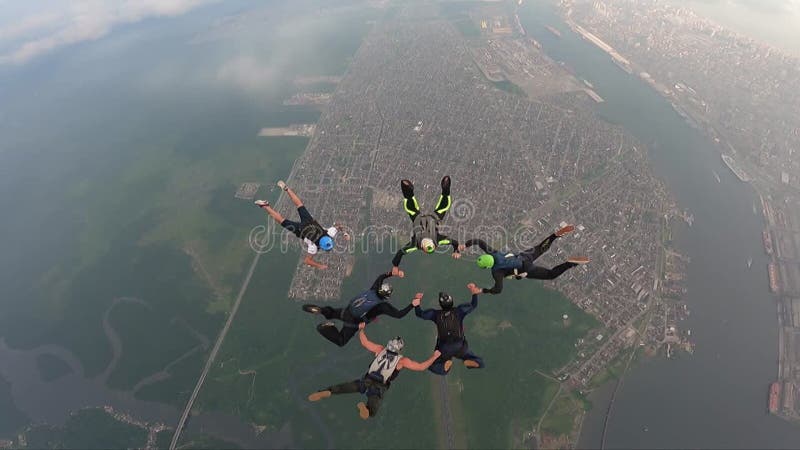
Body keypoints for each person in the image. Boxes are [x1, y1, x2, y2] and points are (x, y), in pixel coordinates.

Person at [308, 322, 441, 419]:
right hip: (379, 387)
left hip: (366, 380)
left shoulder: (379, 349)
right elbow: (421, 367)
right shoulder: (402, 361)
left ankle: (328, 391)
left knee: (347, 387)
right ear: (399, 349)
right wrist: (434, 357)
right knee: (372, 409)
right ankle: (366, 408)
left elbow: (365, 342)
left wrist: (361, 330)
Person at [461, 225, 589, 295]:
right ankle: (554, 236)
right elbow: (478, 241)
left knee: (551, 275)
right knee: (540, 248)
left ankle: (569, 263)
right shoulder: (493, 253)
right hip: (523, 257)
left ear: (486, 267)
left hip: (526, 269)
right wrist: (464, 246)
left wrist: (482, 290)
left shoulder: (496, 272)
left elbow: (498, 289)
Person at [302, 271, 419, 346]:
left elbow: (380, 276)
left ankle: (322, 310)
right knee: (341, 341)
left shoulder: (374, 288)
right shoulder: (382, 306)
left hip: (346, 311)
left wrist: (392, 273)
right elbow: (399, 315)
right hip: (353, 322)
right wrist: (412, 305)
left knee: (332, 313)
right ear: (387, 296)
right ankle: (325, 327)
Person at [254, 180, 347, 270]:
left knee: (299, 204)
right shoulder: (314, 247)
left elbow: (338, 226)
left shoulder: (329, 234)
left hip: (310, 221)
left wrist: (345, 233)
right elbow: (307, 261)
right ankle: (265, 206)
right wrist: (319, 266)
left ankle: (286, 189)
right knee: (282, 221)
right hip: (300, 230)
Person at [391, 176, 460, 277]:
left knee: (443, 207)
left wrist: (456, 250)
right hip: (418, 219)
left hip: (433, 218)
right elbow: (400, 253)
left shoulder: (437, 240)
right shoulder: (415, 244)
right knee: (411, 207)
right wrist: (395, 266)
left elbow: (454, 242)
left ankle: (446, 190)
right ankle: (407, 190)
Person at [413, 284, 485, 375]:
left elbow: (420, 314)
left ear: (440, 304)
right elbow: (473, 305)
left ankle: (444, 365)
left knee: (433, 367)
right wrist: (474, 293)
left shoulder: (435, 314)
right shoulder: (459, 311)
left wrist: (417, 302)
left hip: (444, 347)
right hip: (460, 345)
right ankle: (468, 360)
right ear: (452, 302)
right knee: (480, 363)